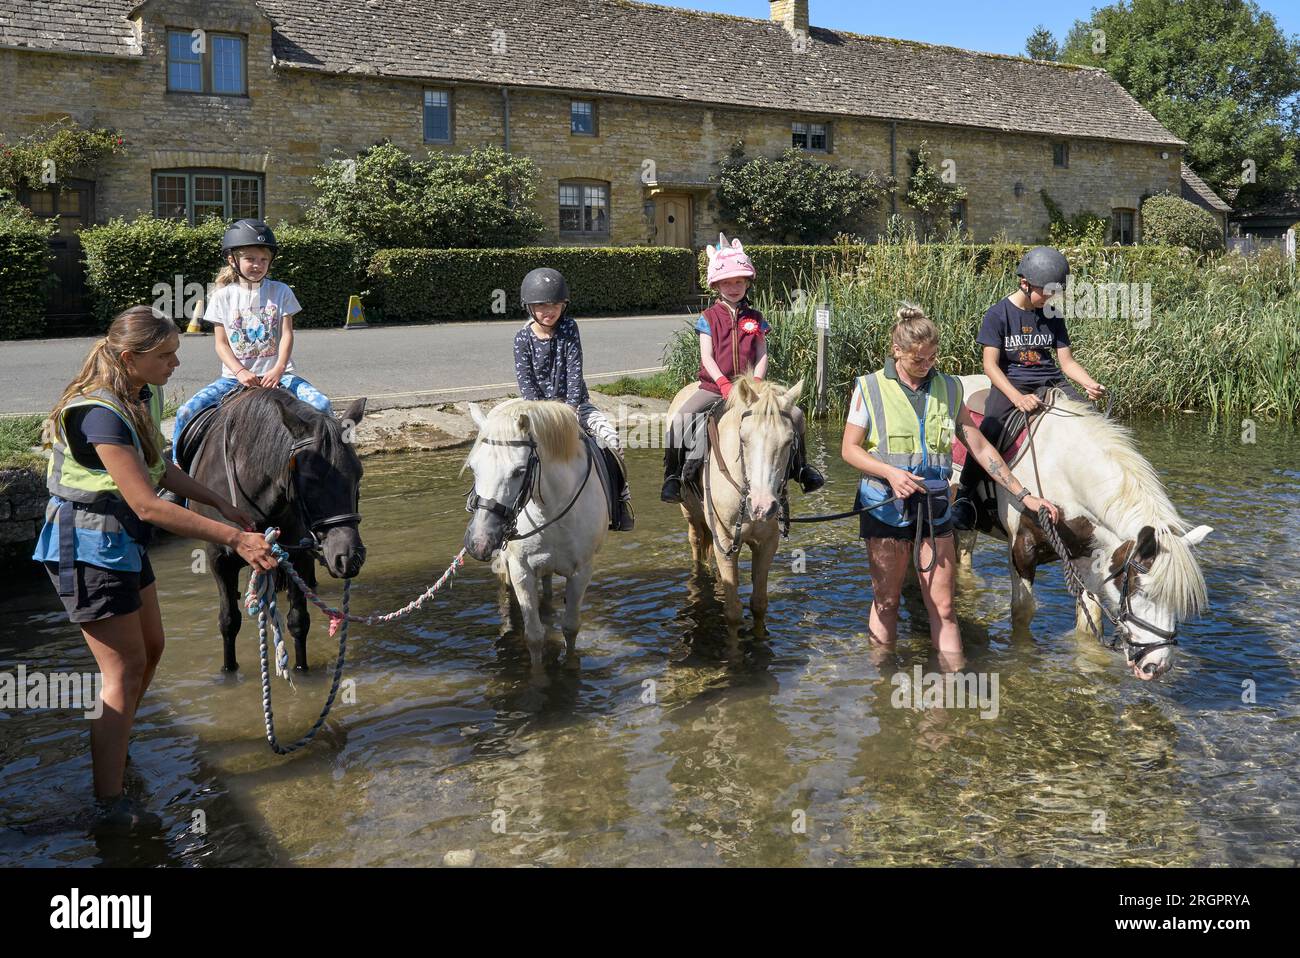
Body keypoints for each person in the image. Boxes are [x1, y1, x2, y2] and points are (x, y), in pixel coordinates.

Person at [33, 306, 278, 835]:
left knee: (154, 649)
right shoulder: (98, 413)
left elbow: (160, 466)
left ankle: (115, 743)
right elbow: (147, 503)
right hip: (87, 549)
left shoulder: (138, 393)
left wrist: (221, 503)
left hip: (119, 544)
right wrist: (235, 538)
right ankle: (109, 802)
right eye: (165, 356)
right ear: (131, 357)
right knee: (121, 673)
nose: (175, 364)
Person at [841, 305, 1060, 667]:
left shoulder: (949, 387)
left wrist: (1024, 495)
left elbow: (979, 447)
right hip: (884, 506)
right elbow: (849, 450)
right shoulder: (869, 387)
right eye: (917, 359)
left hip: (935, 508)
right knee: (888, 602)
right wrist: (890, 473)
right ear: (897, 350)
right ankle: (882, 688)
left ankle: (951, 694)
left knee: (943, 606)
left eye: (931, 357)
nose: (926, 365)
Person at [660, 233, 824, 503]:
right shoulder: (708, 318)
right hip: (715, 387)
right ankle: (673, 477)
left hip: (752, 389)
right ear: (716, 284)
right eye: (727, 282)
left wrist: (758, 380)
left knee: (795, 414)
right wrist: (723, 383)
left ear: (747, 283)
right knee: (680, 420)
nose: (733, 287)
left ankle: (802, 469)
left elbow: (761, 352)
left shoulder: (755, 317)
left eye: (739, 281)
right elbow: (707, 357)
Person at [952, 246, 1105, 528]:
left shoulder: (1052, 314)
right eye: (1046, 292)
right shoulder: (998, 315)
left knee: (1092, 420)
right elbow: (990, 366)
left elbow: (1067, 362)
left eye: (1055, 293)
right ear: (1024, 283)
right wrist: (1017, 397)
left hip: (1051, 380)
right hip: (1012, 382)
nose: (1051, 298)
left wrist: (1088, 383)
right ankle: (964, 495)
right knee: (991, 428)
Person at [171, 219, 331, 460]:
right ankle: (176, 469)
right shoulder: (222, 297)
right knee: (185, 412)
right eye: (250, 259)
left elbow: (287, 334)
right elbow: (221, 344)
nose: (257, 265)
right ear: (232, 260)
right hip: (233, 379)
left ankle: (327, 463)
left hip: (281, 376)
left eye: (263, 260)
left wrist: (278, 370)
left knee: (322, 405)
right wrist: (240, 372)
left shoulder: (281, 291)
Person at [512, 267, 635, 531]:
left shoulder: (569, 328)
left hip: (575, 406)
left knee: (611, 440)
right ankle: (500, 513)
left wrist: (571, 409)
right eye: (541, 305)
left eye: (555, 304)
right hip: (537, 410)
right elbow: (526, 383)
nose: (549, 310)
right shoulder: (522, 338)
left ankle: (619, 503)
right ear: (529, 307)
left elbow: (574, 370)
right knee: (506, 449)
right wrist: (540, 415)